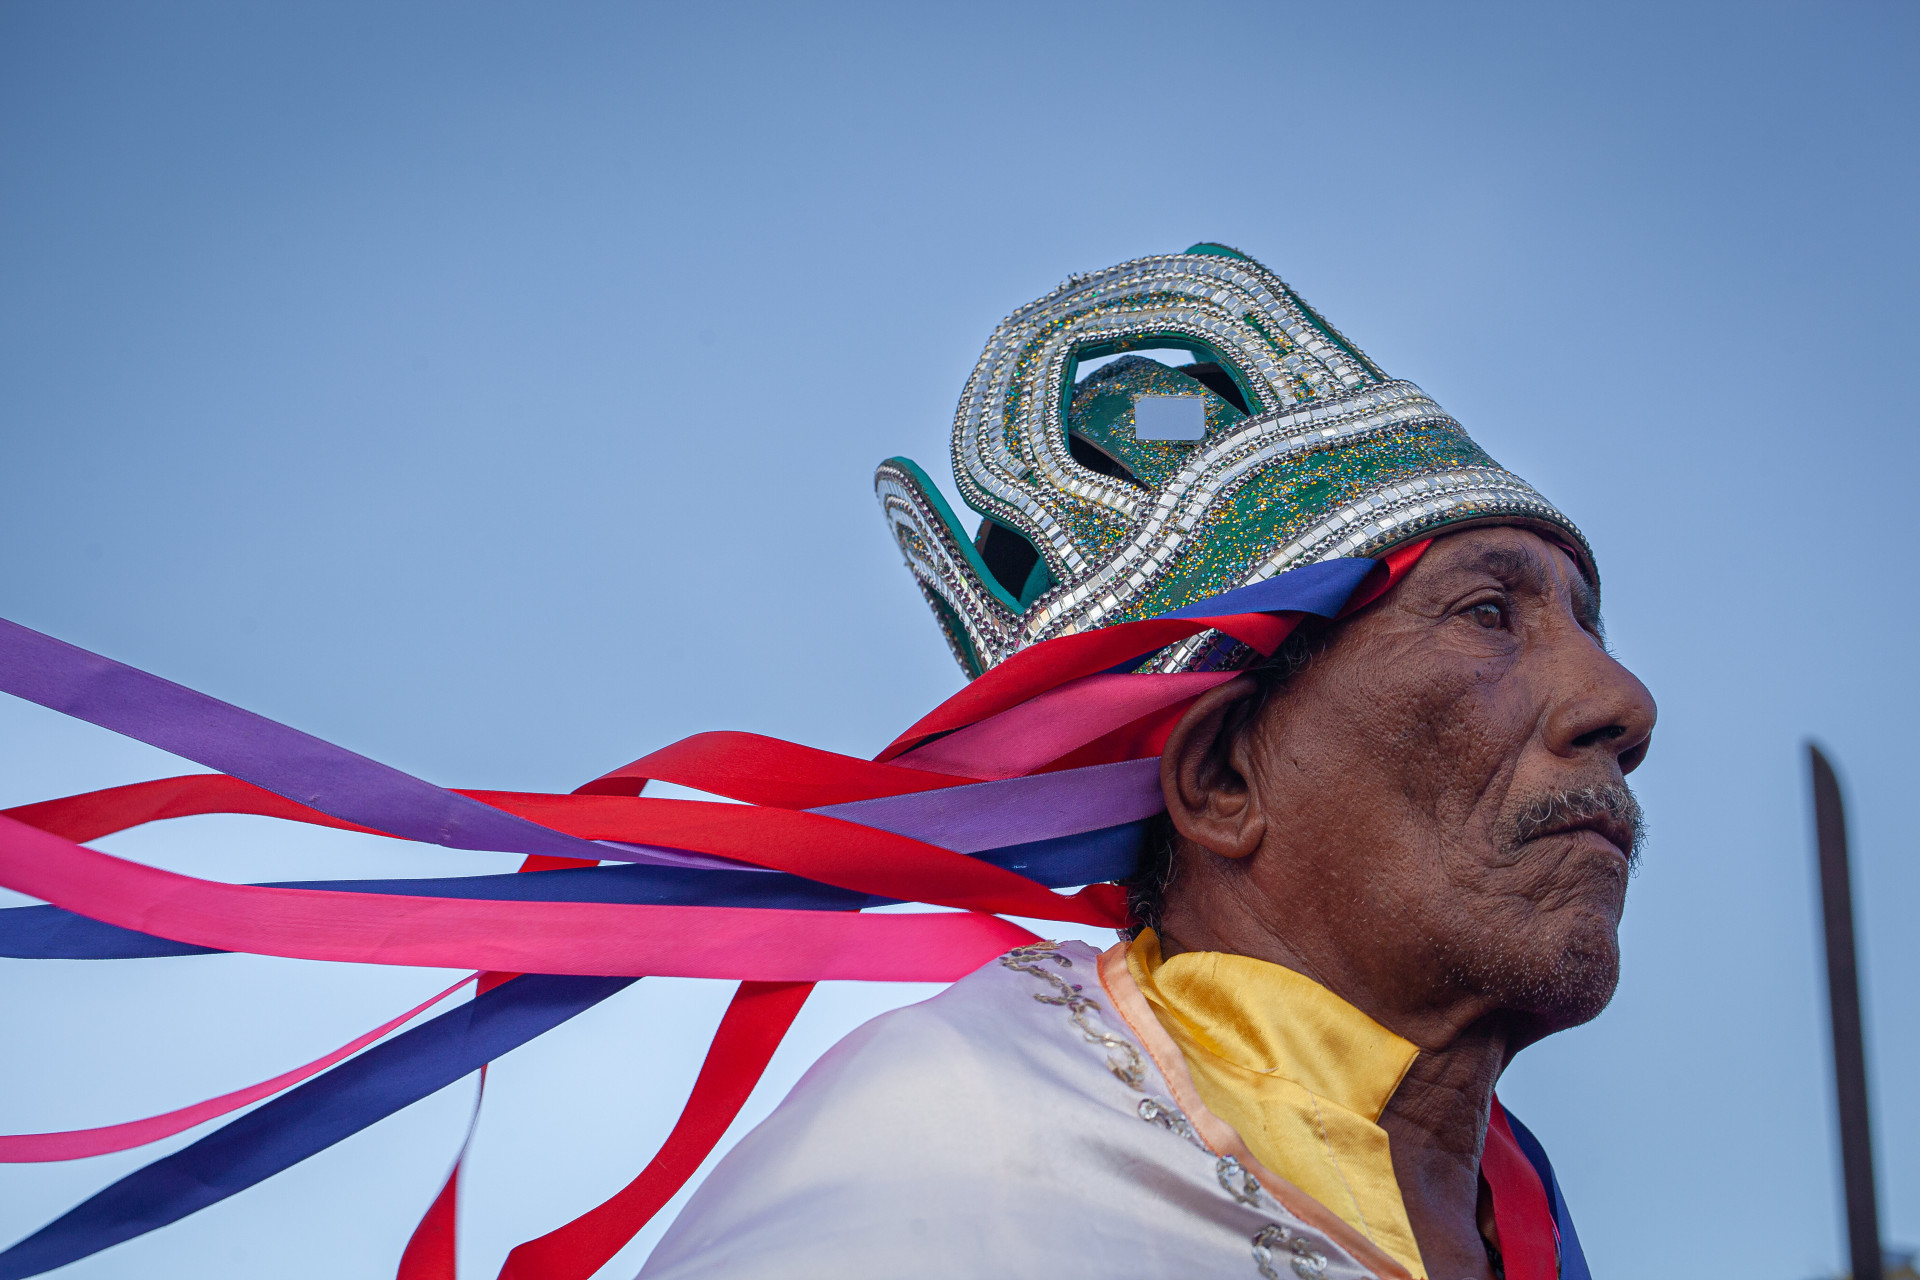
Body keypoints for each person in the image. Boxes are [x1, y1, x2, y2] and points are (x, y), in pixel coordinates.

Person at [637, 245, 1654, 1280]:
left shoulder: (1533, 1231)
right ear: (1222, 780)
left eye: (1589, 625)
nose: (1625, 704)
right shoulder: (952, 1142)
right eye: (1488, 615)